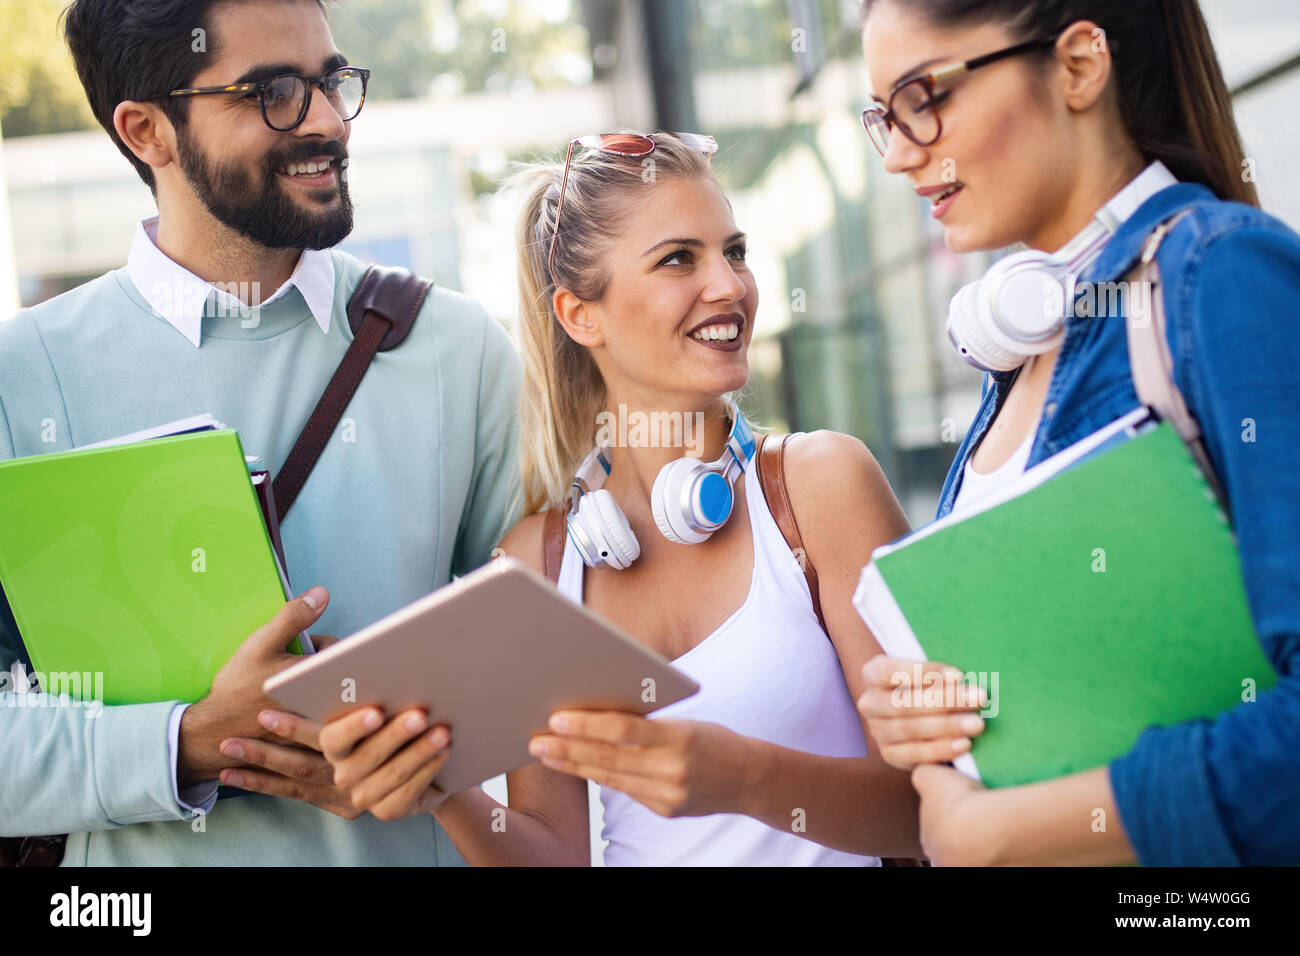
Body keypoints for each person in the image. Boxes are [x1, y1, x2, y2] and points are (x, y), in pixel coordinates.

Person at [0, 0, 520, 865]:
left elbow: (557, 665)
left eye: (329, 81)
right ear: (146, 132)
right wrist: (190, 742)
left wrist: (428, 742)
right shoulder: (21, 378)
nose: (323, 121)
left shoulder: (456, 349)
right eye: (272, 91)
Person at [310, 132, 923, 865]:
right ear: (579, 315)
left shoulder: (820, 486)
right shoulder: (536, 564)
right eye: (678, 259)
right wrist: (447, 792)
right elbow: (555, 854)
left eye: (734, 250)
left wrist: (747, 779)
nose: (730, 286)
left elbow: (935, 807)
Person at [853, 0, 1300, 865]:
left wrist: (1001, 833)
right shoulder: (1023, 350)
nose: (902, 153)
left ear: (1079, 66)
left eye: (923, 96)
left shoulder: (1221, 275)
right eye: (884, 117)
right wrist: (926, 709)